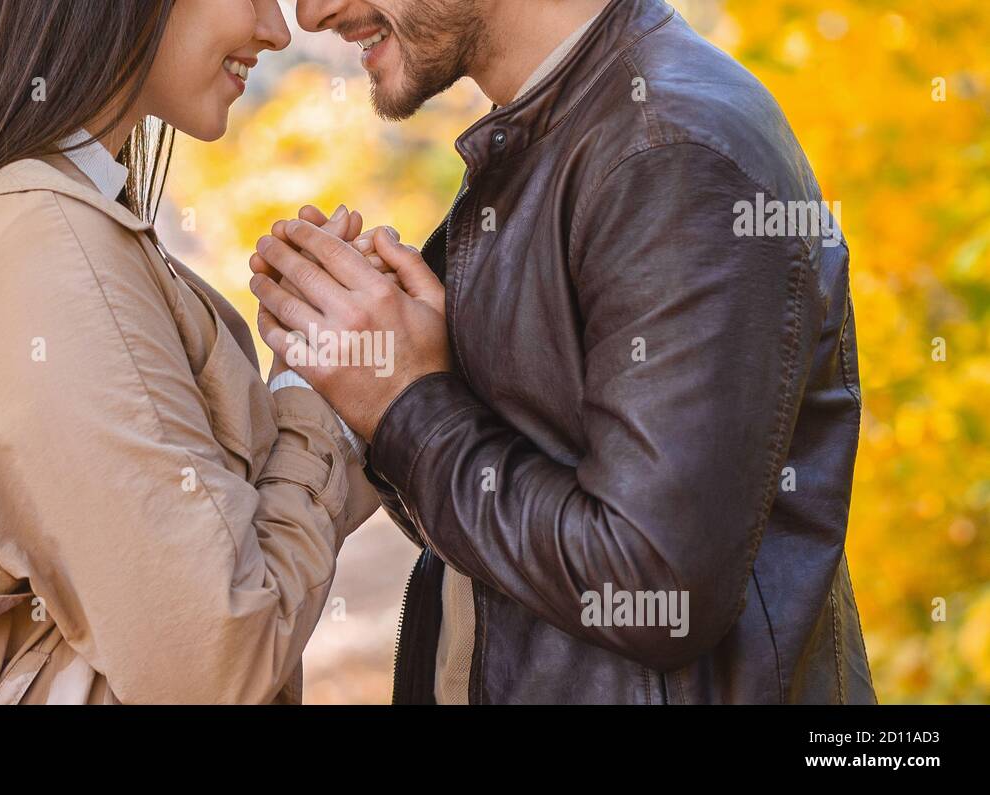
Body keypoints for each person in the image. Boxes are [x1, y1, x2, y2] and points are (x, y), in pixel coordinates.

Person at [252, 0, 876, 704]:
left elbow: (653, 587)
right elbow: (507, 539)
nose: (312, 13)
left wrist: (409, 406)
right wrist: (387, 390)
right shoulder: (554, 125)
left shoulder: (668, 152)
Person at [0, 0, 377, 705]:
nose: (277, 29)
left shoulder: (56, 225)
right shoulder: (46, 244)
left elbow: (231, 563)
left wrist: (371, 388)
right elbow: (210, 665)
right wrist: (309, 393)